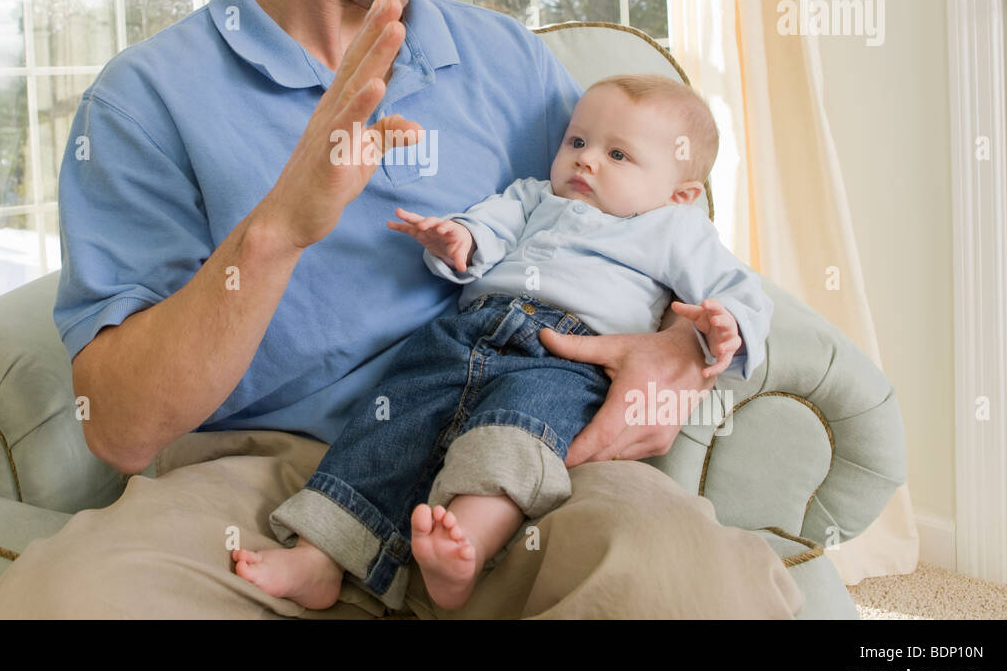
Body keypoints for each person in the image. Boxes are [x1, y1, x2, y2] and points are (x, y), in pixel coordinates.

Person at [0, 0, 802, 620]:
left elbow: (659, 245)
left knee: (694, 588)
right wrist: (280, 228)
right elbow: (119, 428)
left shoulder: (511, 64)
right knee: (57, 608)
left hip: (510, 447)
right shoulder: (145, 101)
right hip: (269, 481)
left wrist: (680, 354)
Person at [233, 74, 775, 610]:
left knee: (515, 436)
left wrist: (723, 323)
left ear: (681, 195)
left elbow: (741, 291)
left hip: (566, 359)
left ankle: (463, 544)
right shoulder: (533, 196)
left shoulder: (675, 230)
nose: (586, 160)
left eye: (618, 155)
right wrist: (458, 239)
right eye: (578, 143)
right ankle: (318, 555)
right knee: (394, 419)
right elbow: (486, 228)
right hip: (468, 333)